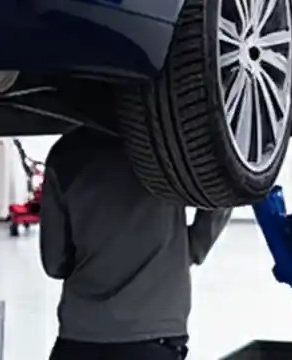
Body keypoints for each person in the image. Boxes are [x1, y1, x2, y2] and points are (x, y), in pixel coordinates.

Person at [38, 126, 233, 359]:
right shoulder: (167, 145)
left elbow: (54, 262)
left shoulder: (65, 153)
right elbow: (223, 187)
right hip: (153, 331)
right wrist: (191, 249)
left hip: (79, 336)